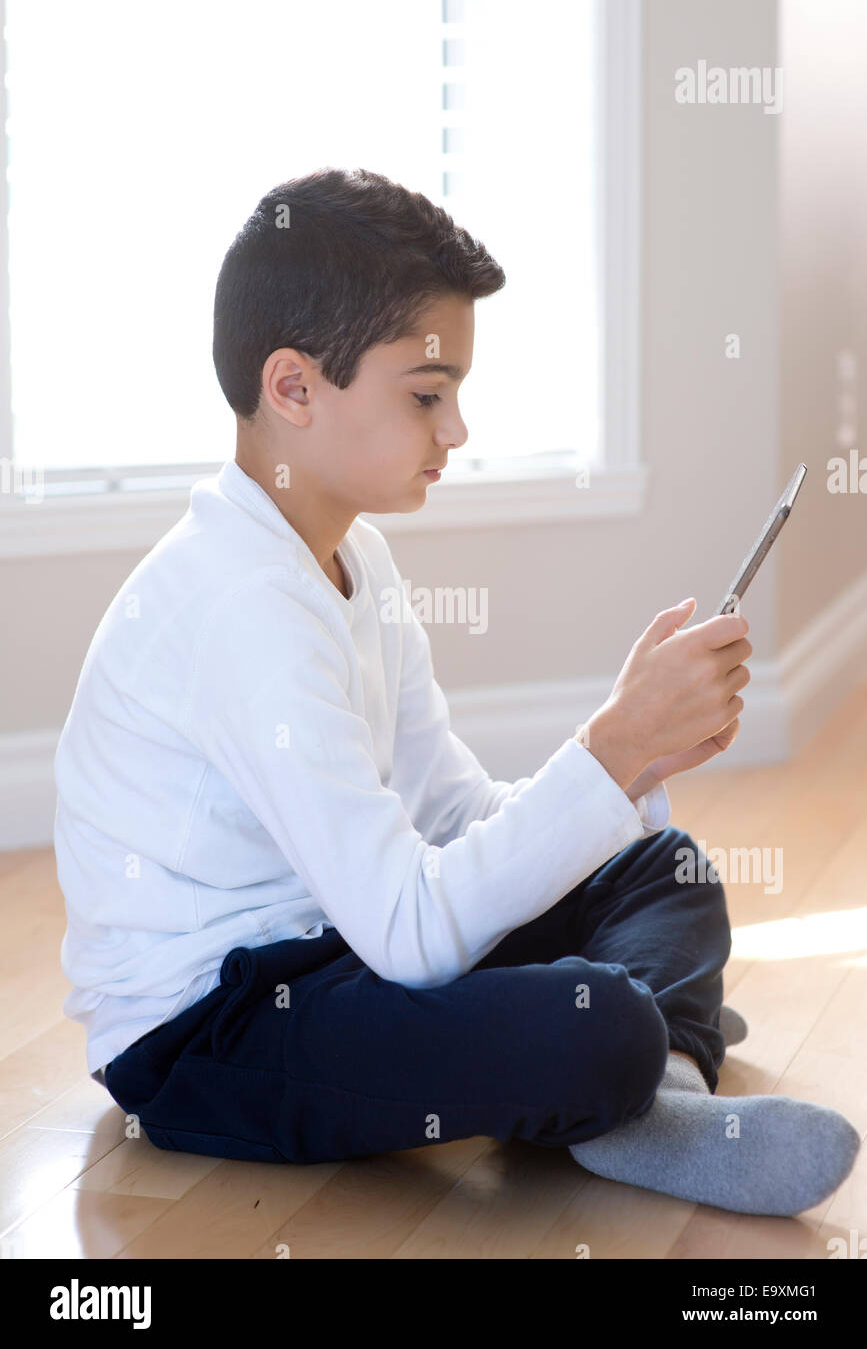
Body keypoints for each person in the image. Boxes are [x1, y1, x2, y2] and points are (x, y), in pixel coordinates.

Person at [54, 168, 859, 1217]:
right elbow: (410, 930)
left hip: (344, 939)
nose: (458, 430)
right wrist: (607, 751)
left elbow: (452, 817)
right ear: (294, 388)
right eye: (428, 395)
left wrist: (628, 763)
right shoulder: (235, 605)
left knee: (662, 867)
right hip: (214, 1031)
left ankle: (649, 1089)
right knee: (600, 1020)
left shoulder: (356, 558)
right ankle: (641, 1049)